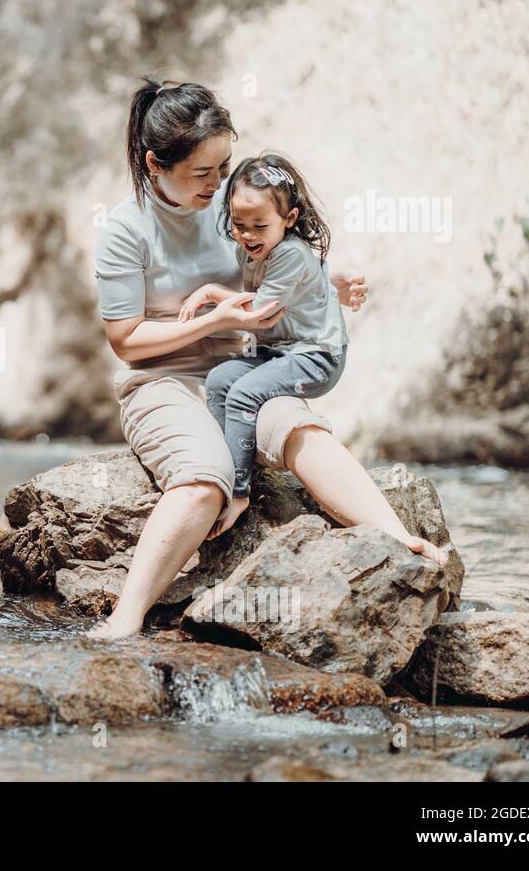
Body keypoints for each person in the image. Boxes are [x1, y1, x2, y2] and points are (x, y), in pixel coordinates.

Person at [84, 78, 447, 641]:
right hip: (161, 381)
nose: (217, 184)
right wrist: (214, 320)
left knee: (296, 424)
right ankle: (125, 619)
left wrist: (328, 281)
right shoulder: (125, 230)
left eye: (223, 167)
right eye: (202, 173)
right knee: (206, 479)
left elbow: (272, 264)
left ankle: (399, 538)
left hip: (243, 368)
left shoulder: (230, 205)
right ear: (156, 164)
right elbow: (126, 340)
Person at [179, 152, 348, 538]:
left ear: (289, 220)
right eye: (239, 224)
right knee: (221, 379)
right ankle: (226, 467)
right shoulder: (253, 248)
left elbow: (262, 313)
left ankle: (238, 493)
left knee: (243, 396)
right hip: (278, 352)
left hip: (315, 357)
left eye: (259, 225)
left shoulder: (289, 252)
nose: (247, 234)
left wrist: (209, 293)